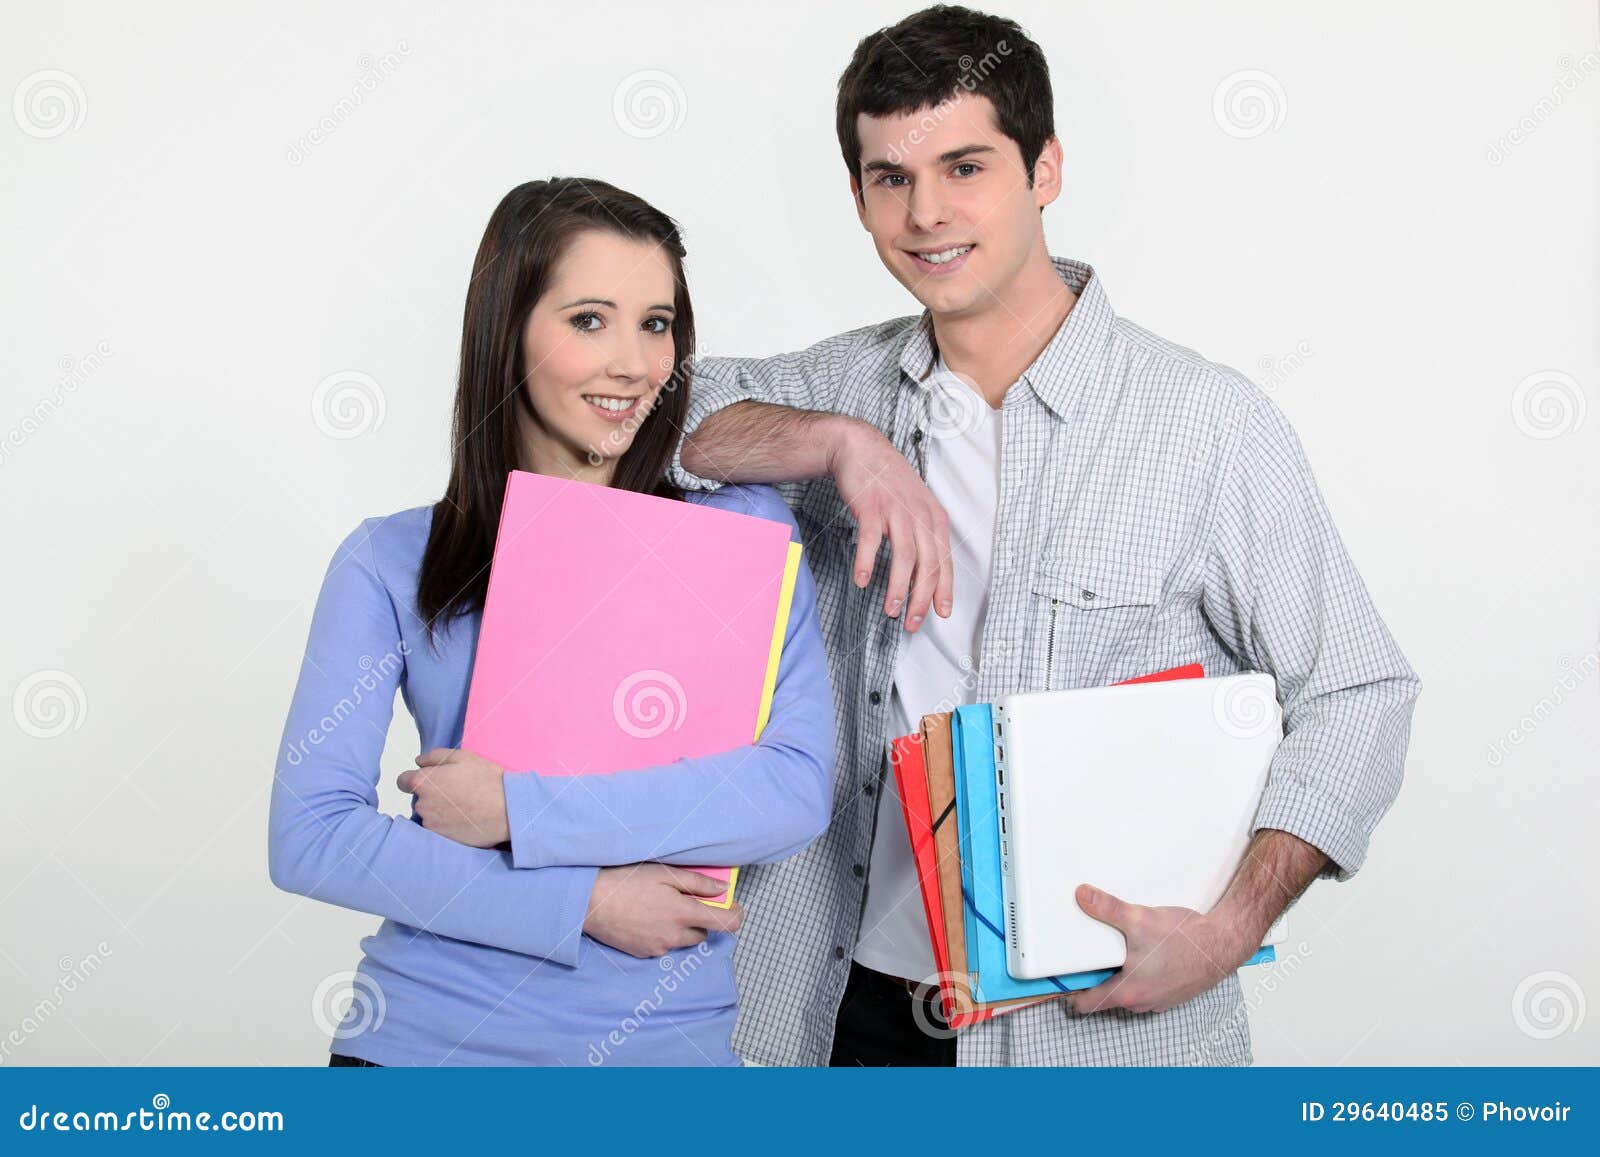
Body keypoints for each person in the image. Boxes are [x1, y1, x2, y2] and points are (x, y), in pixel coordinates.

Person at [666, 5, 1422, 1066]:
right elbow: (658, 418)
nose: (926, 213)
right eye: (891, 178)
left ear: (1045, 168)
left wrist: (1229, 926)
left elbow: (1358, 692)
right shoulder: (835, 385)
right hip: (835, 1007)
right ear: (857, 196)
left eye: (964, 166)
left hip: (1090, 1032)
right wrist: (840, 443)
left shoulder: (1203, 423)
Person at [268, 177, 835, 1067]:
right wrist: (583, 902)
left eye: (656, 323)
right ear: (508, 332)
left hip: (669, 1054)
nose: (633, 363)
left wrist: (518, 810)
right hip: (426, 1049)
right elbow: (313, 834)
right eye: (588, 320)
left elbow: (790, 792)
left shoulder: (743, 532)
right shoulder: (389, 558)